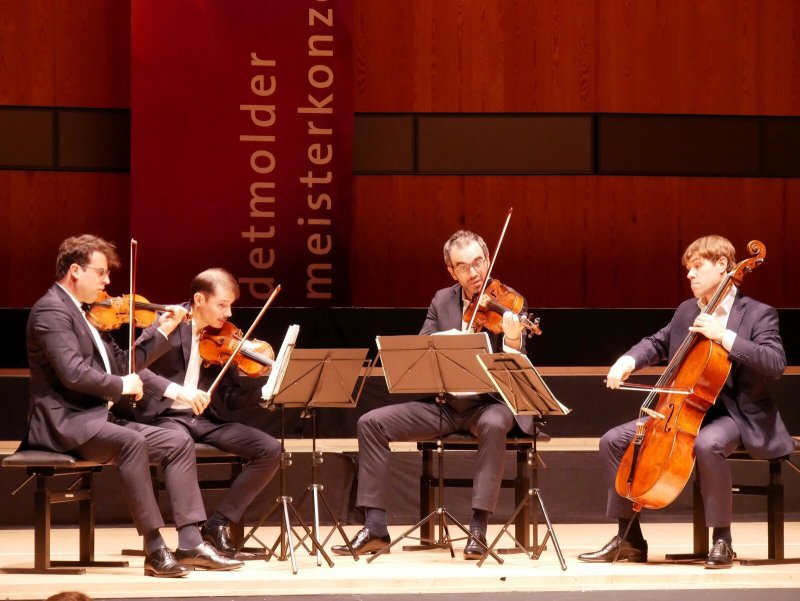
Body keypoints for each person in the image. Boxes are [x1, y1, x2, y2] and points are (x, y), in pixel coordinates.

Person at [23, 235, 242, 577]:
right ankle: (155, 550)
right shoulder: (51, 310)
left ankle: (189, 543)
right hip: (63, 421)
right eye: (102, 273)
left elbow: (125, 362)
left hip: (93, 417)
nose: (107, 282)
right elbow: (72, 374)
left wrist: (161, 332)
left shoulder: (86, 315)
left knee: (176, 441)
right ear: (75, 271)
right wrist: (121, 386)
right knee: (133, 441)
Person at [577, 235, 793, 569]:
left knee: (708, 444)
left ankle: (722, 540)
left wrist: (724, 335)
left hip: (737, 413)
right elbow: (657, 342)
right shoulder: (686, 311)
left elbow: (775, 363)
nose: (689, 275)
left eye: (697, 267)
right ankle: (629, 538)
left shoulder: (758, 314)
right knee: (612, 442)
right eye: (687, 269)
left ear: (723, 265)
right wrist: (627, 361)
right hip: (685, 410)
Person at [332, 229, 538, 559]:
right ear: (451, 272)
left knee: (494, 424)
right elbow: (421, 353)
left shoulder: (509, 302)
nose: (474, 273)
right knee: (371, 423)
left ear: (487, 259)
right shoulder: (441, 300)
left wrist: (512, 340)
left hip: (489, 405)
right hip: (444, 405)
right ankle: (375, 527)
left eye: (478, 262)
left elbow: (517, 368)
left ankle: (478, 528)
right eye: (463, 267)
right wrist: (451, 340)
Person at [125, 268, 282, 557]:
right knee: (179, 442)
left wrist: (265, 393)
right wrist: (177, 391)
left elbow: (231, 397)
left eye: (230, 305)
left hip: (205, 419)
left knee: (270, 449)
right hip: (165, 417)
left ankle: (217, 524)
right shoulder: (169, 322)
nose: (229, 313)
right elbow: (134, 365)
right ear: (199, 299)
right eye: (222, 305)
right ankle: (191, 538)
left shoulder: (223, 338)